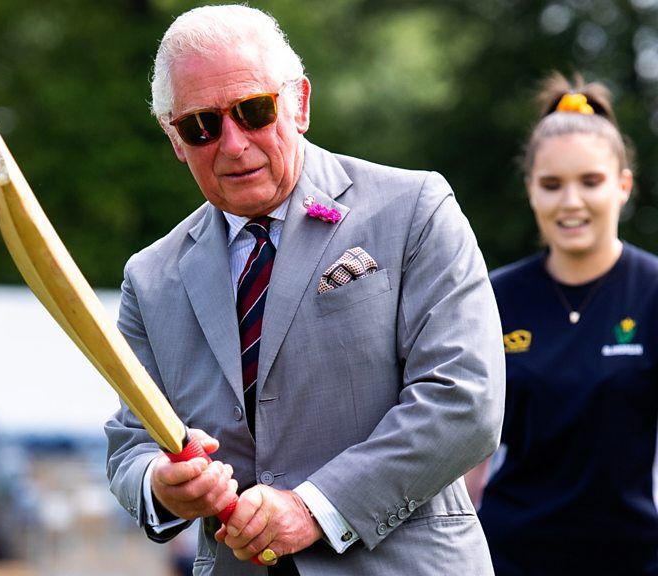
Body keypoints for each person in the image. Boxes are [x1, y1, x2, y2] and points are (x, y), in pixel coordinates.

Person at [104, 5, 505, 575]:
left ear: (300, 103)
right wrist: (162, 487)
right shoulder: (150, 277)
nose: (233, 144)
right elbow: (130, 444)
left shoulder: (414, 208)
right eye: (201, 125)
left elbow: (464, 400)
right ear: (174, 137)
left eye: (253, 110)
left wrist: (314, 509)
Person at [468, 73, 658, 574]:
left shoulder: (653, 290)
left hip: (635, 559)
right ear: (530, 189)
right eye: (552, 185)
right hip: (511, 559)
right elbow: (466, 448)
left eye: (590, 182)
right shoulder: (491, 297)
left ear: (622, 186)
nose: (570, 202)